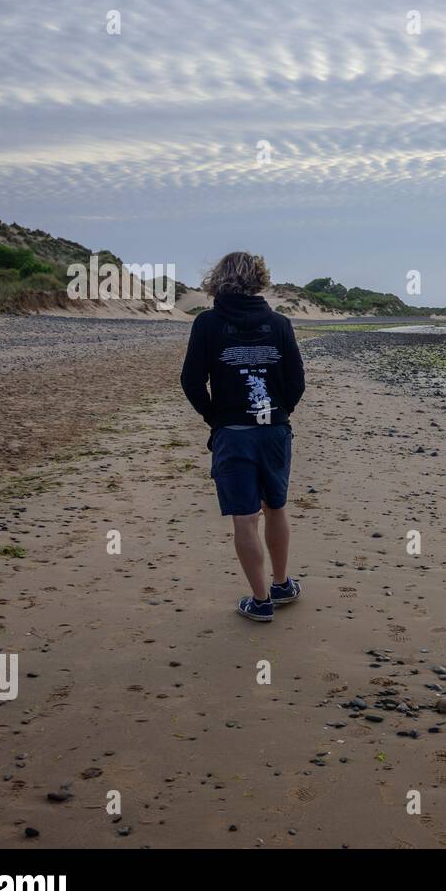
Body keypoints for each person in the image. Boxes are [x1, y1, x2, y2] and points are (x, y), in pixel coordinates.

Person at [180, 251, 305, 621]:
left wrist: (215, 417)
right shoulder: (279, 323)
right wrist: (279, 414)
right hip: (274, 432)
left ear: (217, 279)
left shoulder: (207, 324)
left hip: (232, 433)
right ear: (259, 280)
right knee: (275, 507)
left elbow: (191, 381)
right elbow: (296, 382)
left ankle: (262, 599)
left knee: (245, 517)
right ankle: (281, 584)